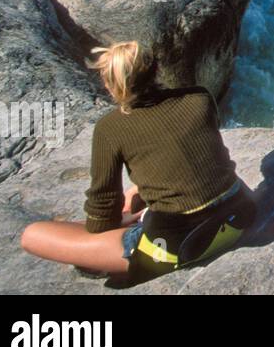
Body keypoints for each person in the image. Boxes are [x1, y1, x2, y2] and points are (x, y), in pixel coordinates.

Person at [20, 42, 256, 282]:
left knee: (32, 235)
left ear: (111, 83)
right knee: (134, 195)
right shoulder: (199, 97)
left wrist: (117, 220)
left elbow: (102, 211)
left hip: (177, 246)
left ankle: (128, 242)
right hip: (239, 215)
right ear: (156, 70)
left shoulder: (110, 128)